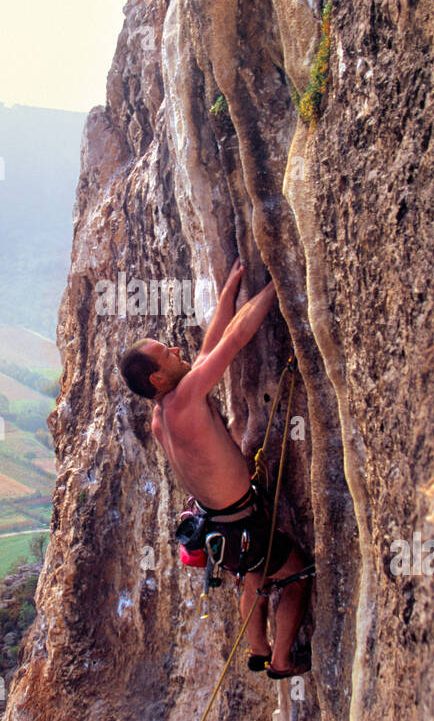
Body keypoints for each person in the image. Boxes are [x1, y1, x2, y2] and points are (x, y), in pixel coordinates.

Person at [119, 258, 312, 677]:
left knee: (255, 575)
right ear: (156, 378)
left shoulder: (162, 415)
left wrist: (229, 290)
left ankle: (259, 649)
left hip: (221, 528)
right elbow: (235, 339)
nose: (174, 348)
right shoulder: (186, 398)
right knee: (296, 572)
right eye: (164, 353)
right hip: (240, 521)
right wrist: (277, 283)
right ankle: (280, 661)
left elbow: (208, 348)